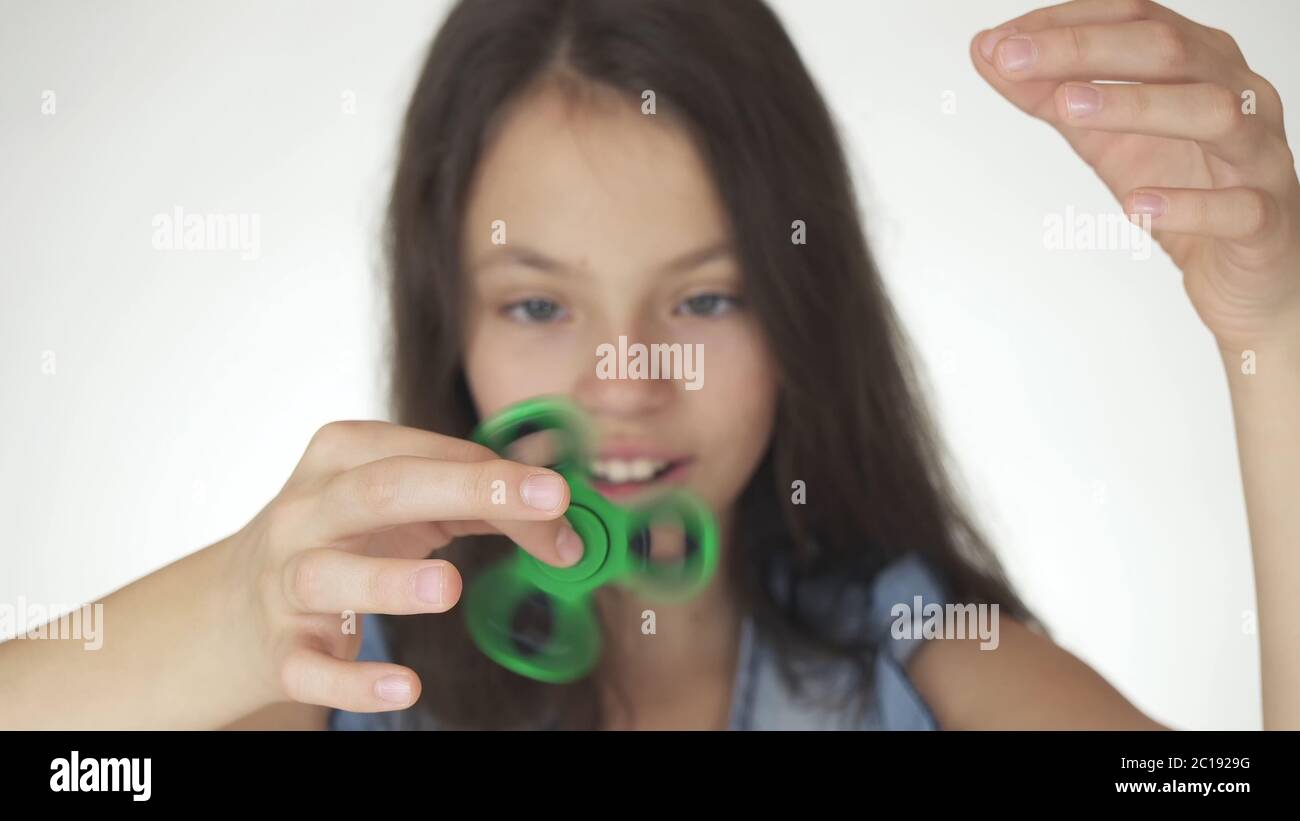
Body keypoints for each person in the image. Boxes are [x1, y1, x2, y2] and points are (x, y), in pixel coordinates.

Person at [2, 0, 1297, 730]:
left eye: (709, 294)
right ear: (446, 317)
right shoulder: (343, 680)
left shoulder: (929, 662)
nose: (623, 377)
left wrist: (1271, 328)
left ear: (804, 306)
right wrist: (227, 613)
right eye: (537, 306)